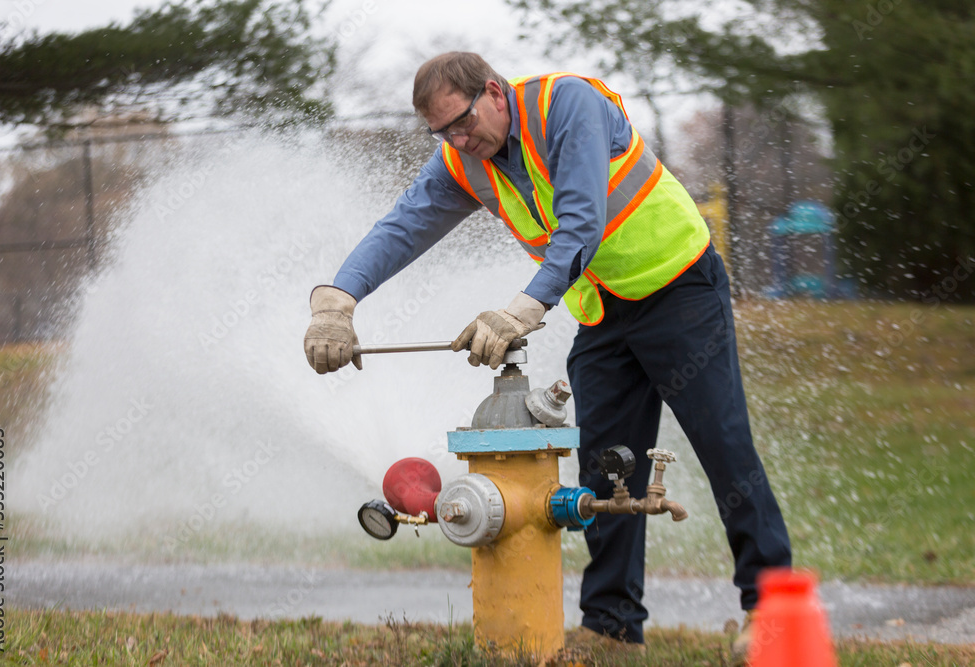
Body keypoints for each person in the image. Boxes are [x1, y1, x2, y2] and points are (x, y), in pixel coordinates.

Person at [303, 52, 791, 657]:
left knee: (725, 446)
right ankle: (613, 627)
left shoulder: (569, 106)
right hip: (604, 313)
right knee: (607, 470)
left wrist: (519, 311)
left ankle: (774, 613)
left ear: (492, 91)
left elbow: (581, 222)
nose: (458, 140)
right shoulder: (462, 157)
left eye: (463, 122)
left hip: (680, 289)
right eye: (443, 133)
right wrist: (338, 300)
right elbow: (403, 226)